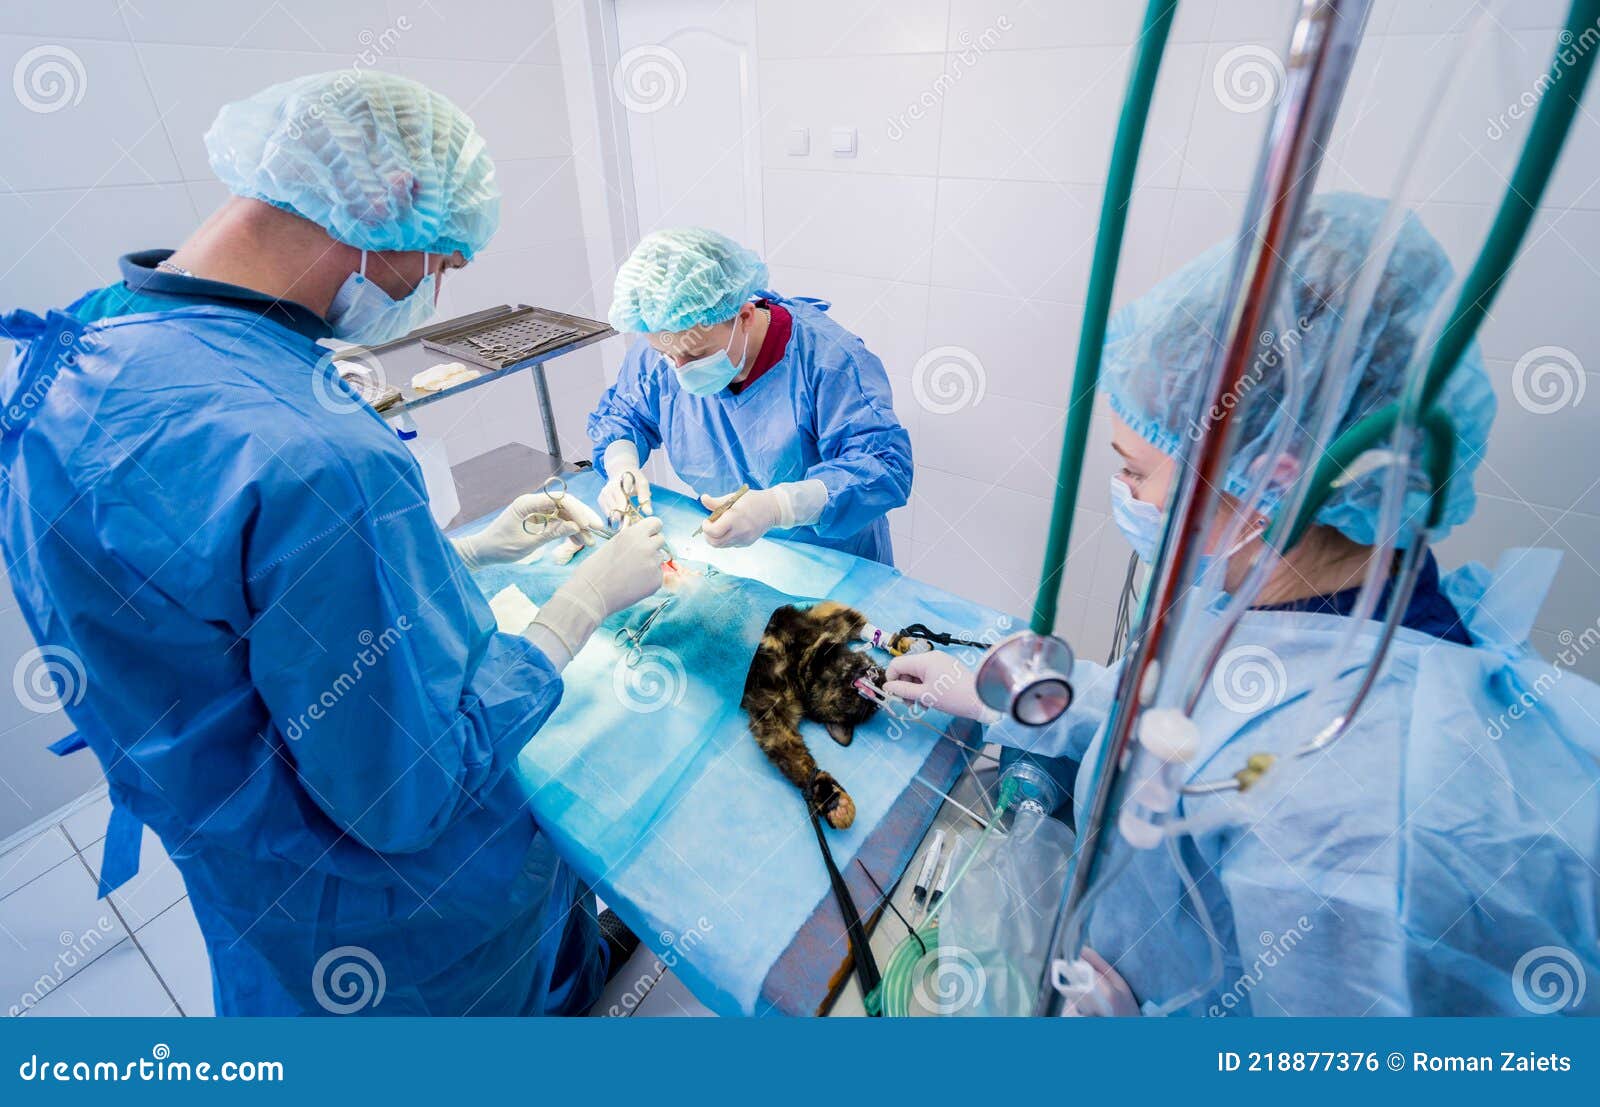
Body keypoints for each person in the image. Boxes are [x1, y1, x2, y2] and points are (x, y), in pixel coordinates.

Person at [0, 71, 667, 1016]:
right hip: (404, 933)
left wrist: (456, 561)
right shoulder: (321, 455)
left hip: (253, 877)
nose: (430, 289)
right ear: (386, 202)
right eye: (441, 262)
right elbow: (412, 790)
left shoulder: (84, 347)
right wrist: (584, 601)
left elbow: (216, 614)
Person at [883, 193, 1600, 1016]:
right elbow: (1166, 708)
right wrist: (991, 691)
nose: (1124, 494)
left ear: (1267, 487)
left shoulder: (1349, 820)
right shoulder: (1301, 598)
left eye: (1135, 470)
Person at [587, 227, 912, 564]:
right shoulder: (666, 345)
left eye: (697, 354)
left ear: (744, 316)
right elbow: (624, 415)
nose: (679, 367)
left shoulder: (830, 361)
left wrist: (778, 507)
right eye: (668, 355)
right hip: (736, 555)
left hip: (830, 560)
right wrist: (620, 467)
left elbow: (882, 467)